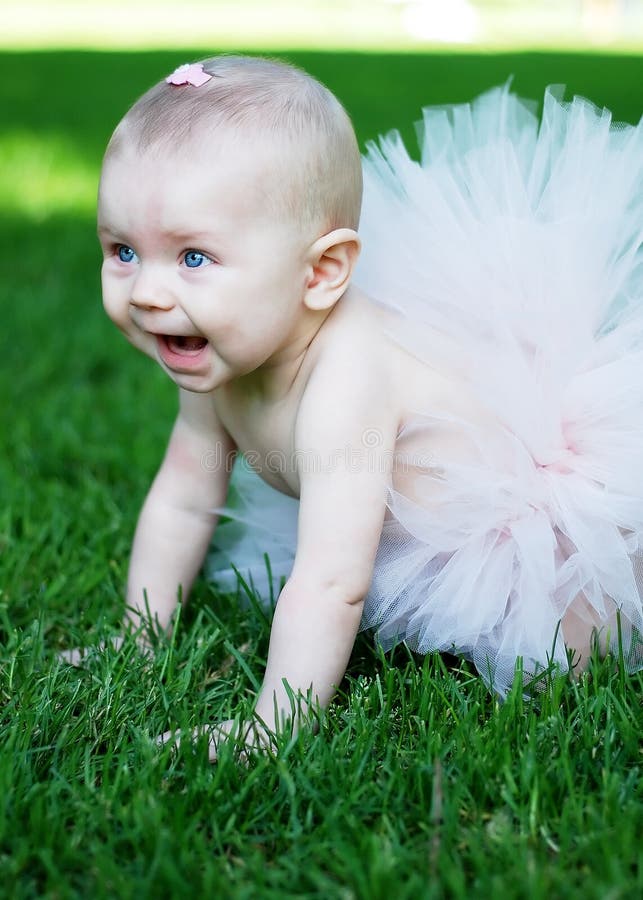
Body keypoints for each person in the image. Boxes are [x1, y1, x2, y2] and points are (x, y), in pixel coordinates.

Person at [91, 54, 642, 758]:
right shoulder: (214, 347)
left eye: (193, 257)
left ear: (320, 273)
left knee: (573, 656)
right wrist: (143, 636)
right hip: (394, 522)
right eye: (122, 251)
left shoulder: (345, 383)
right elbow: (182, 497)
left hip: (521, 534)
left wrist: (274, 724)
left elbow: (331, 579)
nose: (147, 293)